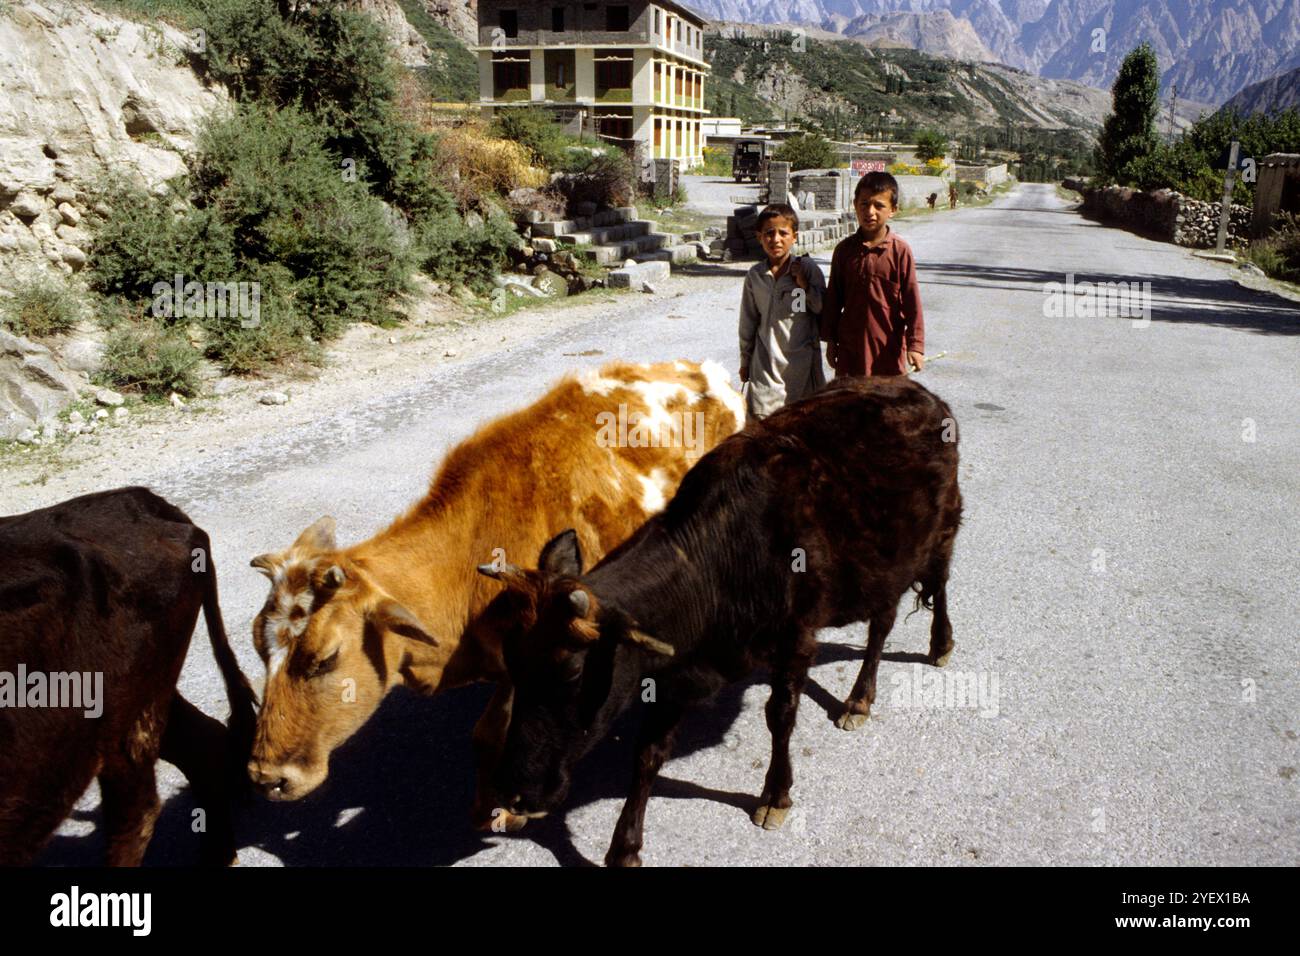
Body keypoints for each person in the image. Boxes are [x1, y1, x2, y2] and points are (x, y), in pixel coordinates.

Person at [822, 171, 925, 378]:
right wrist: (831, 341)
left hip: (887, 350)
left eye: (879, 205)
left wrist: (916, 345)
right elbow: (834, 299)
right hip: (851, 350)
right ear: (855, 205)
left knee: (885, 406)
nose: (870, 211)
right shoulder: (844, 251)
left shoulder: (899, 251)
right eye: (864, 204)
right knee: (849, 404)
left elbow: (912, 303)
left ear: (893, 210)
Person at [738, 203, 827, 419]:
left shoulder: (807, 269)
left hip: (802, 364)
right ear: (759, 237)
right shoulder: (755, 276)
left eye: (783, 233)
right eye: (769, 233)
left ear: (794, 237)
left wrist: (804, 285)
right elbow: (748, 322)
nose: (775, 239)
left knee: (801, 423)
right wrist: (745, 361)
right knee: (762, 423)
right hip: (765, 364)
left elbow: (822, 308)